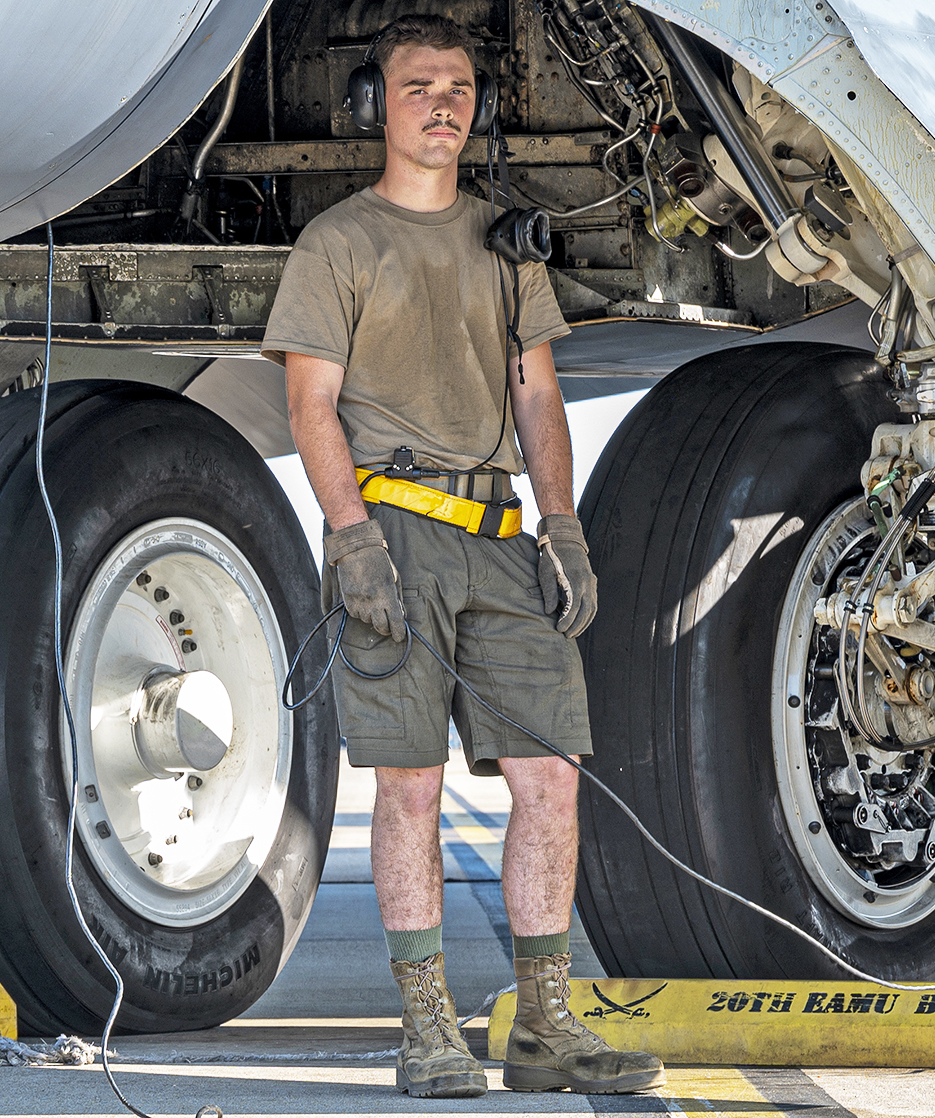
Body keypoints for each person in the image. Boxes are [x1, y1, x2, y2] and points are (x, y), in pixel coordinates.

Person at [260, 14, 663, 1099]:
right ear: (374, 107)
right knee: (409, 790)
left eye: (458, 88)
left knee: (551, 779)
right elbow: (309, 406)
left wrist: (562, 525)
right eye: (418, 87)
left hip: (500, 538)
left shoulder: (505, 242)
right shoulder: (338, 243)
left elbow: (539, 393)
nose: (442, 105)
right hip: (393, 534)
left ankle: (545, 1025)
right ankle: (429, 1029)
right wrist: (351, 538)